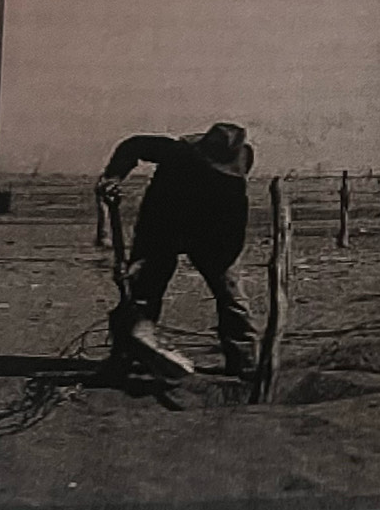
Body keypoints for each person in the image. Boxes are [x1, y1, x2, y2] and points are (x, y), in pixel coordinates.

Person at [96, 123, 258, 378]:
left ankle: (244, 365)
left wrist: (223, 261)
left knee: (232, 296)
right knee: (141, 294)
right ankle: (124, 357)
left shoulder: (232, 180)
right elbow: (133, 145)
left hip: (210, 236)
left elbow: (233, 228)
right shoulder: (177, 152)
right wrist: (114, 176)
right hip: (161, 228)